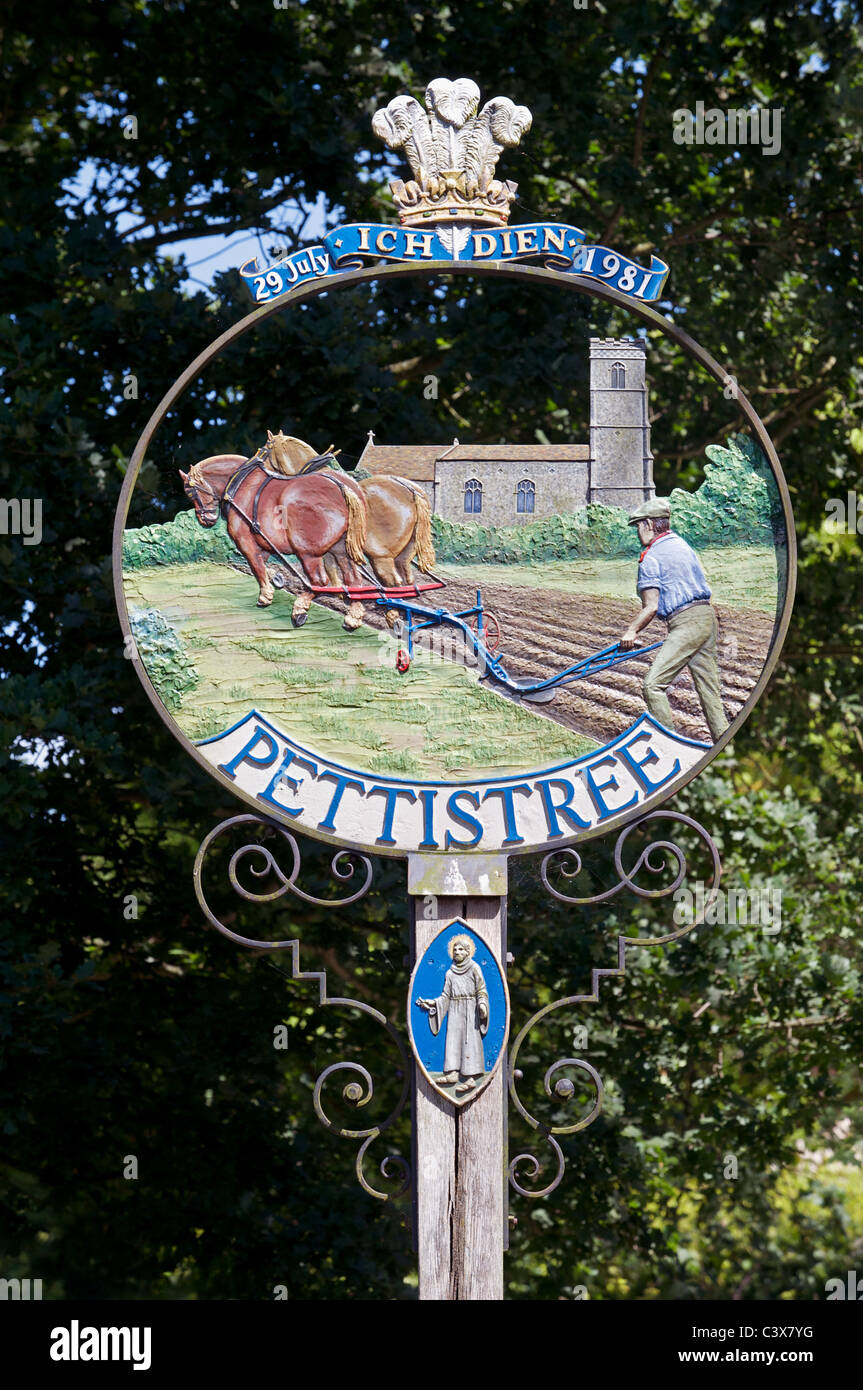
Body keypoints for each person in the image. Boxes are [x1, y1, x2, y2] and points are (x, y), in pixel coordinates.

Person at [620, 497, 729, 742]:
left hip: (686, 622)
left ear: (648, 524)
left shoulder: (650, 557)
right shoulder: (682, 545)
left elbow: (651, 607)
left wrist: (631, 631)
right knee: (709, 691)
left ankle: (668, 741)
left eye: (638, 526)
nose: (638, 533)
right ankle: (724, 742)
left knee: (652, 685)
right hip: (706, 617)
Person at [415, 935, 489, 1095]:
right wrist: (432, 1003)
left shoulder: (474, 967)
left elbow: (481, 989)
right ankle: (453, 1074)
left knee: (469, 1041)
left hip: (470, 1008)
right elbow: (445, 996)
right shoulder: (450, 973)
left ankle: (470, 1078)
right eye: (455, 949)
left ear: (468, 952)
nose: (457, 951)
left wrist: (482, 1004)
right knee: (453, 1040)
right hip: (455, 1009)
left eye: (461, 949)